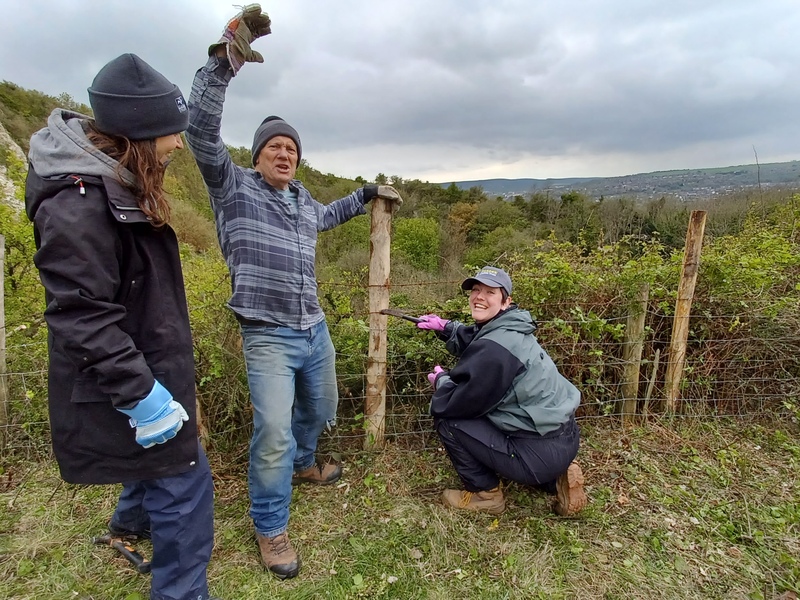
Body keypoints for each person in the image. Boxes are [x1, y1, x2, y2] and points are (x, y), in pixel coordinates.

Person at [185, 5, 403, 580]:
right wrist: (225, 59)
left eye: (293, 149)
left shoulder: (303, 201)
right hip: (268, 337)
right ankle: (271, 525)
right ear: (256, 155)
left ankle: (306, 465)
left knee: (323, 408)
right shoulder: (232, 189)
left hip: (315, 329)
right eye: (275, 147)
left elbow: (325, 217)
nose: (286, 154)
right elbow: (200, 133)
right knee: (274, 430)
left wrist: (363, 196)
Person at [25, 54, 217, 600]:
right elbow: (80, 314)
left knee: (155, 466)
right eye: (169, 133)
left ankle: (127, 525)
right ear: (138, 133)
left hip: (143, 369)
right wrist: (144, 397)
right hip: (131, 380)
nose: (177, 145)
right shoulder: (77, 203)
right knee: (185, 488)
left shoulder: (108, 182)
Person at [417, 266, 588, 516]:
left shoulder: (497, 349)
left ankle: (486, 494)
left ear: (506, 301)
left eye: (490, 292)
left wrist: (441, 381)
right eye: (476, 290)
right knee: (492, 418)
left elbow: (460, 401)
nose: (479, 297)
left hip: (536, 452)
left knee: (449, 419)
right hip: (565, 439)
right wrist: (446, 328)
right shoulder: (512, 326)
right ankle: (556, 478)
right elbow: (479, 338)